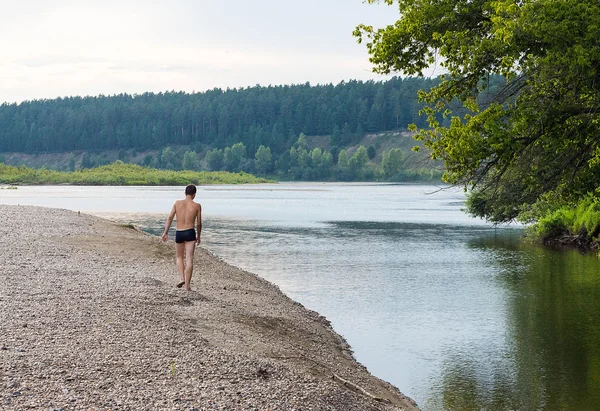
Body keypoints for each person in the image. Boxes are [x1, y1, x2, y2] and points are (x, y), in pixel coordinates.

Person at [162, 184, 202, 291]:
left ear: (185, 193)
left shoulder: (177, 203)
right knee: (189, 259)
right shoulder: (197, 206)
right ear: (194, 195)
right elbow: (198, 224)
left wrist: (165, 232)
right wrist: (199, 235)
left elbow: (170, 218)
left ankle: (181, 278)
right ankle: (187, 286)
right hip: (190, 232)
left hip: (179, 232)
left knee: (179, 257)